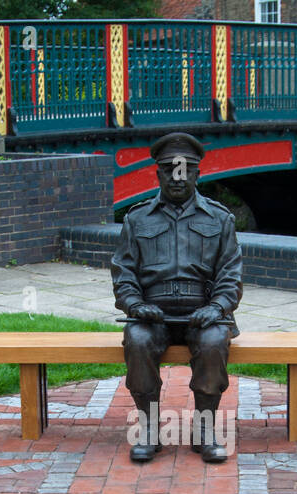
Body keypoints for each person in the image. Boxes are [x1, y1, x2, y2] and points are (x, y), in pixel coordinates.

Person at [110, 132, 243, 464]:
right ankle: (151, 428)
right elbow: (123, 273)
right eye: (169, 169)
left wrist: (216, 308)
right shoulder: (137, 218)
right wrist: (136, 305)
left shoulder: (219, 219)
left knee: (213, 342)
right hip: (153, 315)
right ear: (158, 174)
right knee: (137, 339)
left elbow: (231, 276)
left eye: (185, 169)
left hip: (204, 313)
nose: (177, 176)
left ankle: (205, 429)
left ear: (198, 174)